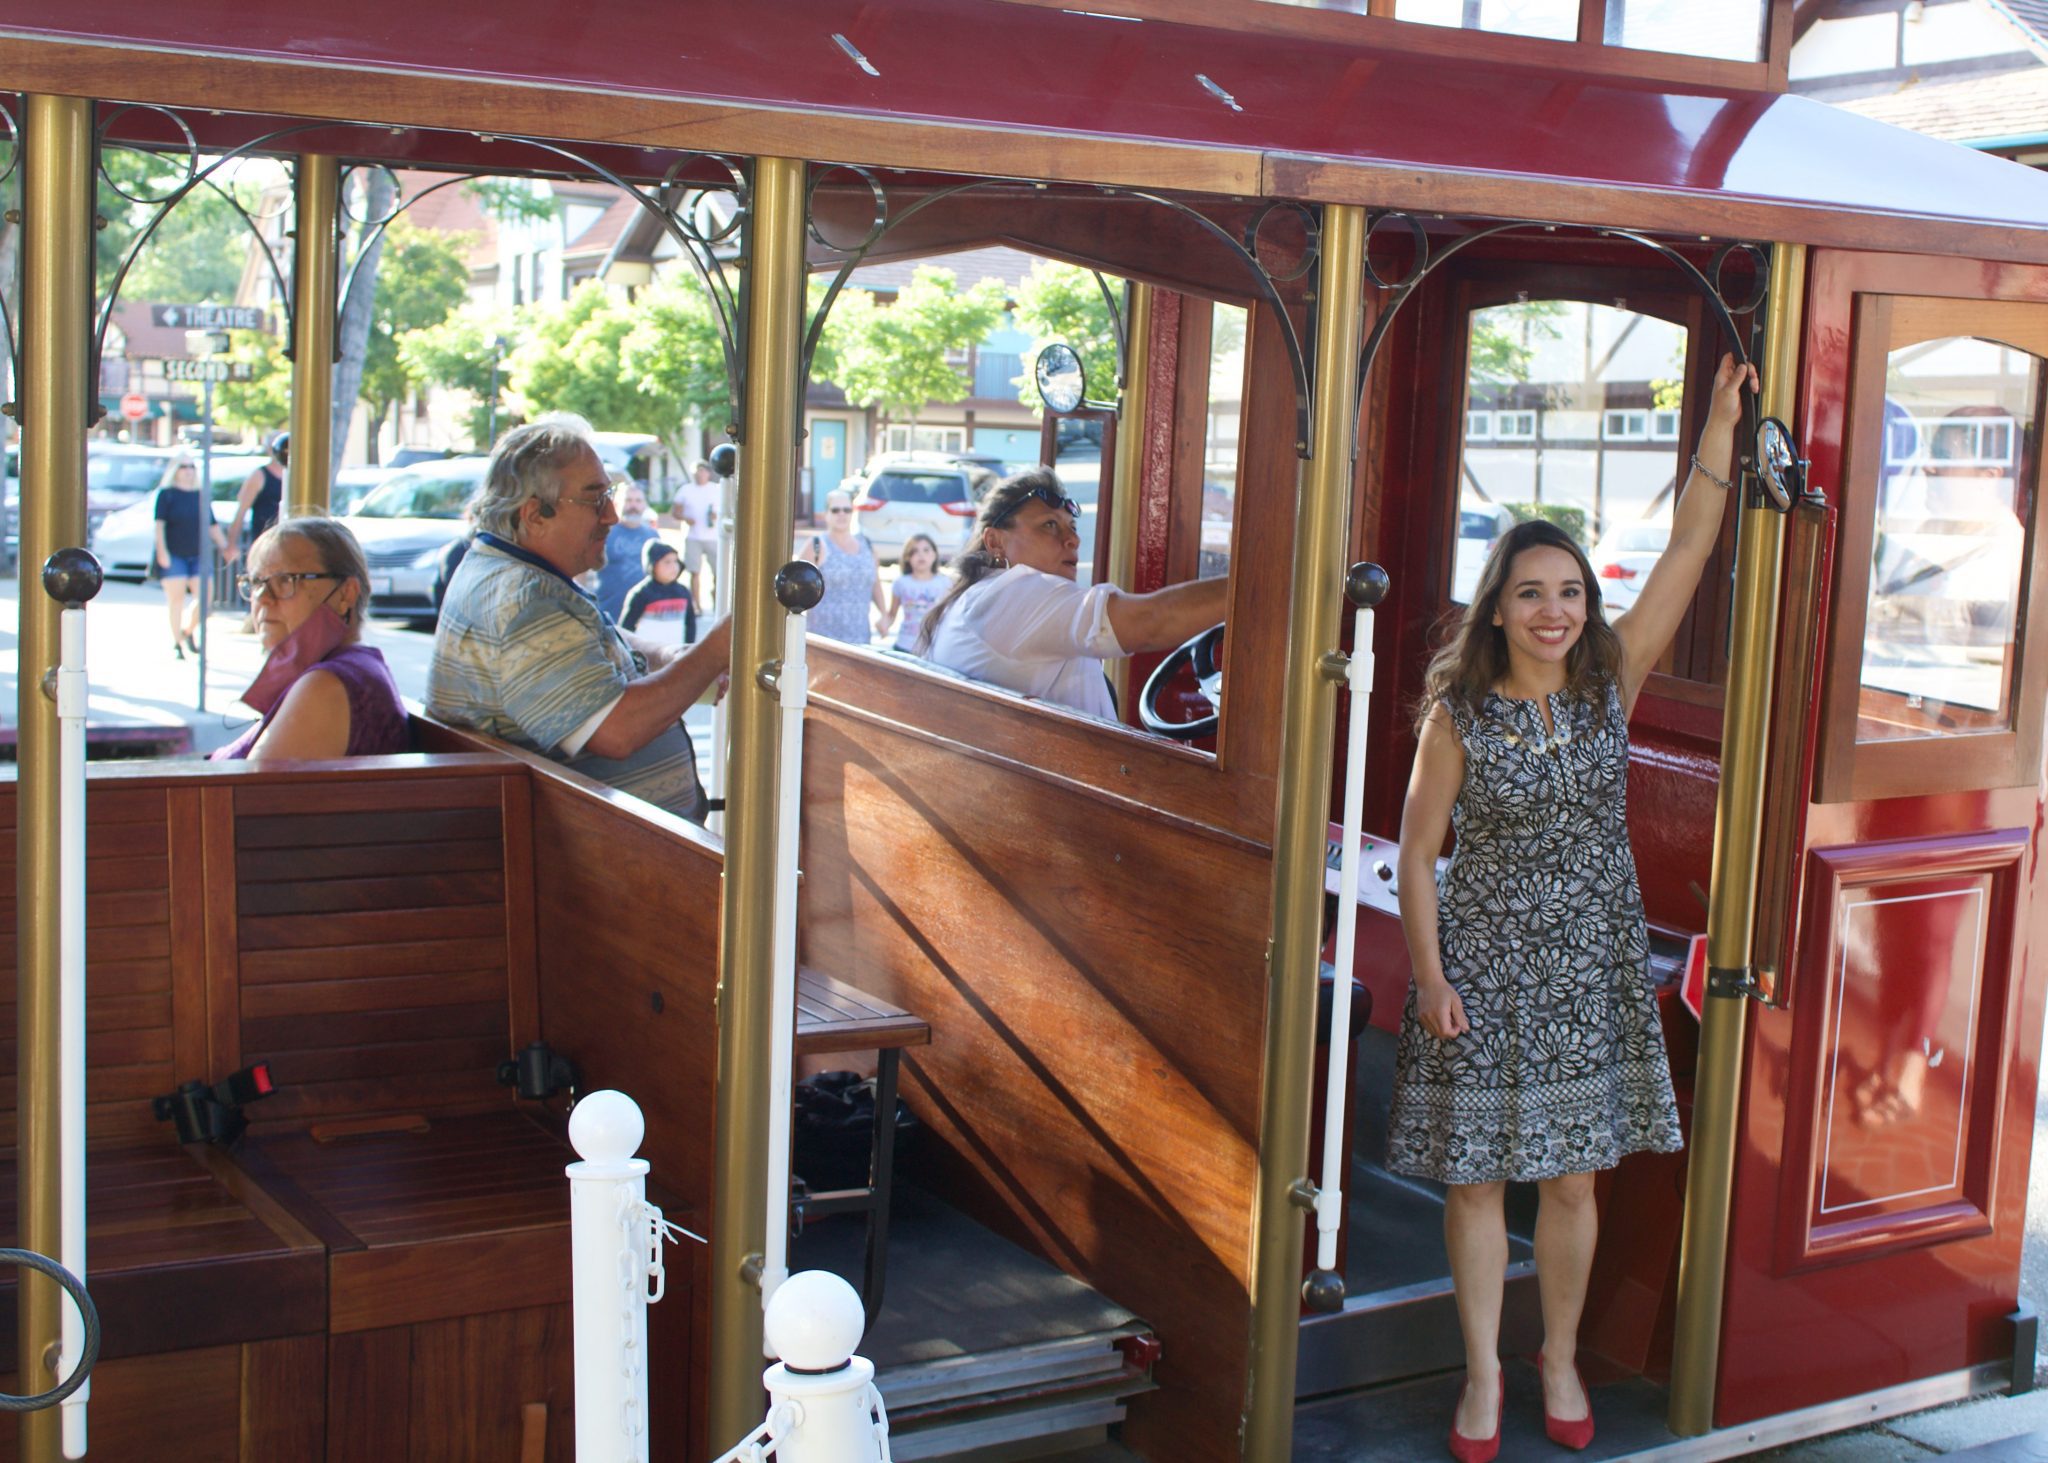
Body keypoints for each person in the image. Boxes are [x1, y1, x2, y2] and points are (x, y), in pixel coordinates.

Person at [1386, 354, 1756, 1462]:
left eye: (1569, 591)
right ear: (1495, 606)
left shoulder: (1610, 679)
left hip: (1587, 967)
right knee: (1474, 1179)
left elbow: (1690, 545)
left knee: (1571, 1180)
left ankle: (1554, 1354)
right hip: (1483, 967)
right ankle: (1482, 1373)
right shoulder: (1454, 712)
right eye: (1529, 591)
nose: (1553, 610)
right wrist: (1433, 974)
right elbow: (1413, 853)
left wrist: (1717, 433)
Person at [426, 415, 732, 823]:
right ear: (535, 515)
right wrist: (716, 650)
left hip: (607, 848)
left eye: (610, 495)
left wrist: (669, 654)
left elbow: (595, 636)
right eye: (594, 499)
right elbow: (616, 730)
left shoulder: (506, 569)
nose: (611, 515)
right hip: (608, 865)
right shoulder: (525, 602)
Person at [923, 467, 1229, 719]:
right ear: (995, 542)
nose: (1072, 540)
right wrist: (1261, 589)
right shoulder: (1013, 596)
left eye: (1072, 526)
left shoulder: (974, 598)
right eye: (1049, 525)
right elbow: (1151, 621)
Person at [210, 517, 410, 761]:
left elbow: (246, 795)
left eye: (285, 580)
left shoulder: (327, 686)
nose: (262, 598)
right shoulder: (341, 668)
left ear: (346, 593)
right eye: (255, 582)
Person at [152, 457, 228, 659]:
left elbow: (212, 525)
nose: (188, 471)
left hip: (198, 554)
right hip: (174, 554)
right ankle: (177, 642)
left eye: (191, 467)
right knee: (175, 600)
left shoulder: (200, 496)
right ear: (175, 470)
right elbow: (159, 526)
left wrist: (225, 546)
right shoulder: (167, 495)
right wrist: (162, 552)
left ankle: (187, 632)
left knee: (205, 599)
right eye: (183, 467)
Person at [801, 489, 887, 645]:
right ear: (826, 514)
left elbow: (875, 584)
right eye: (835, 510)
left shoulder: (866, 544)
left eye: (847, 510)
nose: (842, 514)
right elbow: (797, 587)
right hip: (824, 641)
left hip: (860, 639)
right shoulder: (816, 546)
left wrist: (884, 614)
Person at [596, 481, 661, 622]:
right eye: (628, 500)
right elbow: (582, 574)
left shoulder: (653, 536)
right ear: (616, 504)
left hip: (643, 616)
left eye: (638, 501)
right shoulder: (603, 533)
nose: (633, 506)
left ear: (644, 505)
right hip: (608, 614)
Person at [621, 538, 698, 646]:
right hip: (647, 656)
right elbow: (625, 630)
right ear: (652, 565)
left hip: (675, 655)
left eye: (675, 561)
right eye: (667, 562)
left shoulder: (683, 592)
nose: (673, 567)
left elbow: (690, 624)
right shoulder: (641, 593)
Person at [880, 532, 947, 655]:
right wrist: (884, 624)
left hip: (933, 647)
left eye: (926, 550)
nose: (921, 555)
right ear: (907, 557)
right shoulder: (901, 583)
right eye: (915, 551)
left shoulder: (945, 583)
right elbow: (891, 615)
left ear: (934, 555)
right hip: (905, 646)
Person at [225, 431, 288, 561]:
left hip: (288, 540)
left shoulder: (294, 476)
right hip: (264, 541)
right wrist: (231, 544)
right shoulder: (259, 475)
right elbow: (241, 510)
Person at [674, 458, 722, 607]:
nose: (699, 475)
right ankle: (697, 604)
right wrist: (685, 518)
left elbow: (729, 510)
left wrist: (716, 516)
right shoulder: (685, 490)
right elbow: (675, 512)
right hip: (693, 535)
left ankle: (716, 601)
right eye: (697, 472)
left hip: (713, 536)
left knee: (718, 572)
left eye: (702, 471)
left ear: (708, 473)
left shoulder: (716, 489)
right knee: (694, 571)